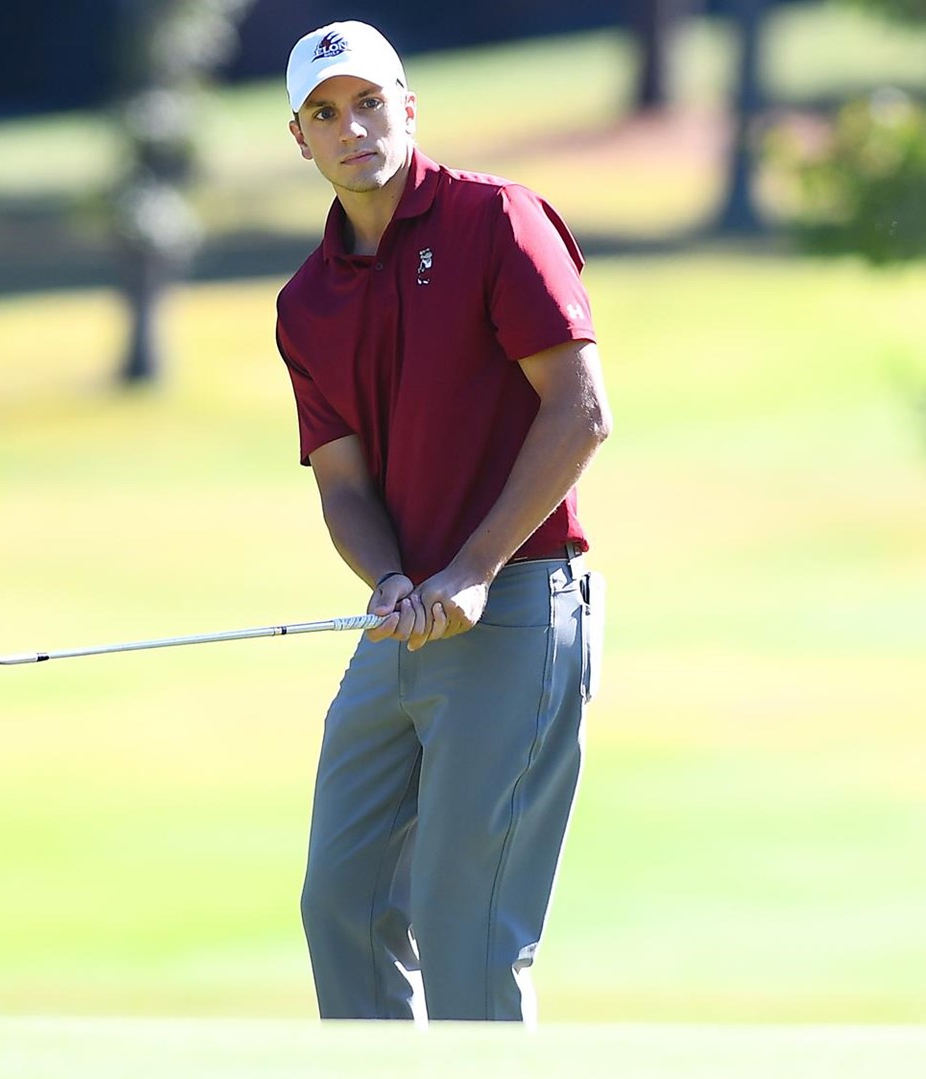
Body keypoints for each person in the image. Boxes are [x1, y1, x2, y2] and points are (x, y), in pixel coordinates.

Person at [273, 21, 611, 1024]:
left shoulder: (496, 221)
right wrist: (388, 579)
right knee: (342, 898)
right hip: (406, 613)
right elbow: (344, 485)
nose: (353, 128)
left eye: (369, 102)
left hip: (514, 602)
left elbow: (581, 411)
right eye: (326, 114)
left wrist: (470, 568)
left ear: (407, 107)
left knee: (467, 928)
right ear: (300, 139)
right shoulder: (306, 302)